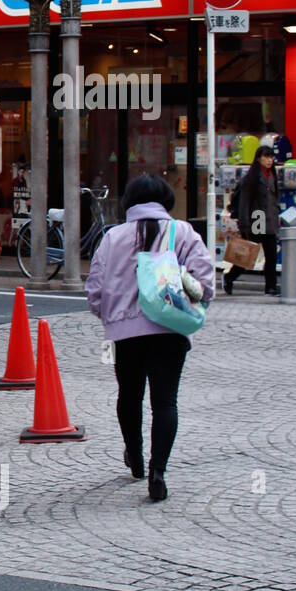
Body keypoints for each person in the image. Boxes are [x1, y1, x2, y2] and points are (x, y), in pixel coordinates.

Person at [85, 174, 214, 502]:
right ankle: (158, 471)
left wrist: (111, 319)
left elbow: (95, 291)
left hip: (124, 334)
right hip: (170, 330)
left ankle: (135, 457)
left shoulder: (112, 237)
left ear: (129, 202)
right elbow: (205, 282)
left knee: (129, 396)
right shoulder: (182, 232)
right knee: (165, 401)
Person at [224, 145, 282, 296]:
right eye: (266, 157)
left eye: (271, 157)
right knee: (248, 255)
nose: (270, 160)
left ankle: (270, 286)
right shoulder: (252, 178)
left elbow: (274, 199)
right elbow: (245, 202)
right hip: (257, 219)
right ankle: (229, 277)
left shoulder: (272, 176)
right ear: (258, 159)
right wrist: (244, 224)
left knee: (271, 256)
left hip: (270, 220)